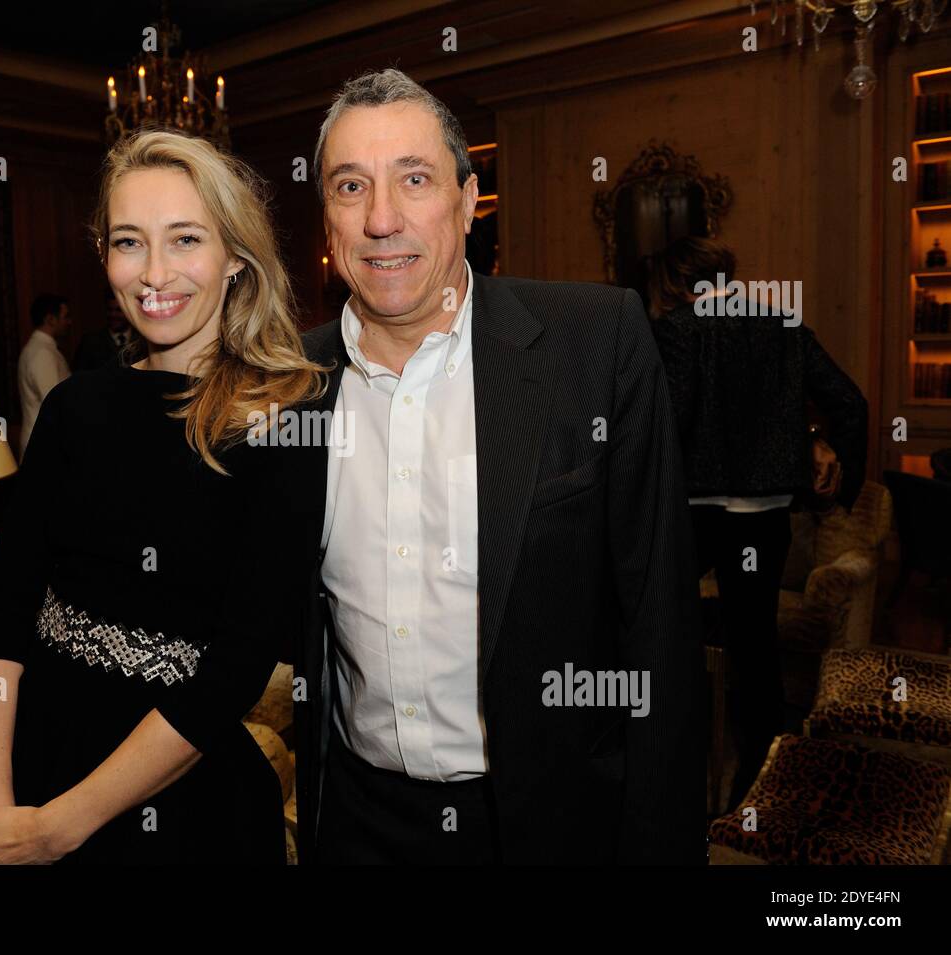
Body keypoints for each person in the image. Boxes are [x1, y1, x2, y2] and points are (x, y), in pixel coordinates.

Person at [292, 68, 707, 865]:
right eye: (352, 186)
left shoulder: (596, 343)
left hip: (546, 822)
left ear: (468, 197)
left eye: (414, 179)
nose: (383, 219)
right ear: (329, 217)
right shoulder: (288, 384)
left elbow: (661, 625)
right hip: (354, 819)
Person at [0, 128, 325, 865]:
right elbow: (5, 605)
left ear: (236, 257)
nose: (155, 273)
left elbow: (235, 666)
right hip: (24, 752)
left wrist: (59, 827)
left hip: (172, 792)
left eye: (186, 240)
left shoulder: (286, 422)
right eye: (129, 241)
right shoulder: (76, 406)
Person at [645, 235, 868, 811]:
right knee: (756, 650)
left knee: (655, 636)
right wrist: (831, 461)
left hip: (692, 517)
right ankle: (763, 783)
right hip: (763, 521)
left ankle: (667, 773)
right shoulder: (782, 325)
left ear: (673, 284)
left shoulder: (677, 330)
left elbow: (664, 423)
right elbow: (850, 401)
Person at [16, 294, 72, 459]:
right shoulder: (42, 353)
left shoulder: (41, 348)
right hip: (44, 445)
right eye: (65, 317)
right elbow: (53, 402)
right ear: (50, 319)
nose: (69, 322)